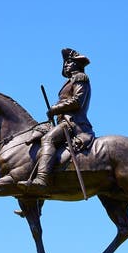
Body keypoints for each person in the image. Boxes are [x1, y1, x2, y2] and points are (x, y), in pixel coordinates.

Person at [19, 48, 93, 190]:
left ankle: (41, 179)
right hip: (64, 121)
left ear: (78, 64)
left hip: (73, 123)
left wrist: (55, 108)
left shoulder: (80, 78)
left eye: (70, 62)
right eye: (65, 62)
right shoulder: (69, 82)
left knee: (48, 139)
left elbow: (77, 101)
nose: (66, 65)